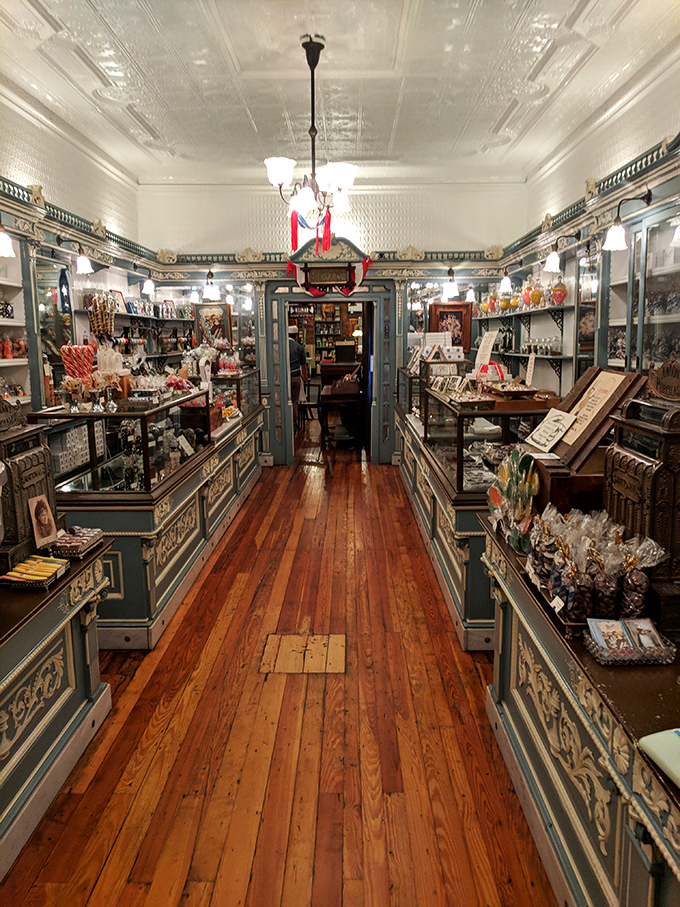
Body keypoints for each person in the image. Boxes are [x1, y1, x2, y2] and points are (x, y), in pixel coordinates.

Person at [288, 324, 308, 430]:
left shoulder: (282, 346)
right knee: (294, 401)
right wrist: (305, 378)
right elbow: (304, 365)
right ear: (296, 336)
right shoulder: (299, 347)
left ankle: (285, 423)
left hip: (284, 378)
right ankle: (294, 424)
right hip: (295, 377)